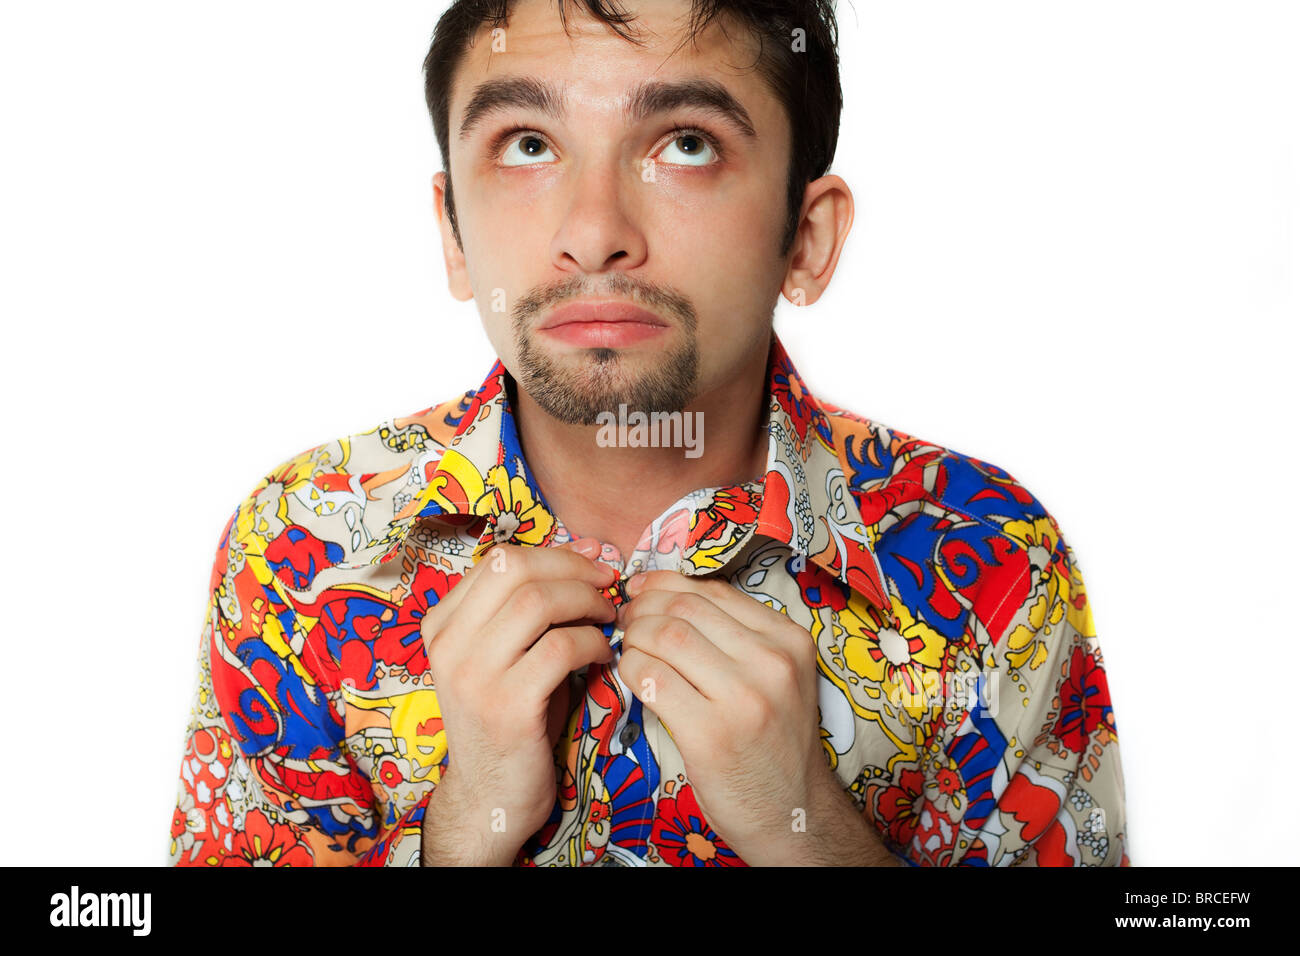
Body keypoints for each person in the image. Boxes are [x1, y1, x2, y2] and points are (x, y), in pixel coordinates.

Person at [168, 0, 1128, 867]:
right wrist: (462, 831)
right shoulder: (303, 548)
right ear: (454, 236)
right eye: (528, 145)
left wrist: (806, 828)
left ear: (808, 238)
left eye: (686, 144)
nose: (593, 232)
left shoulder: (991, 557)